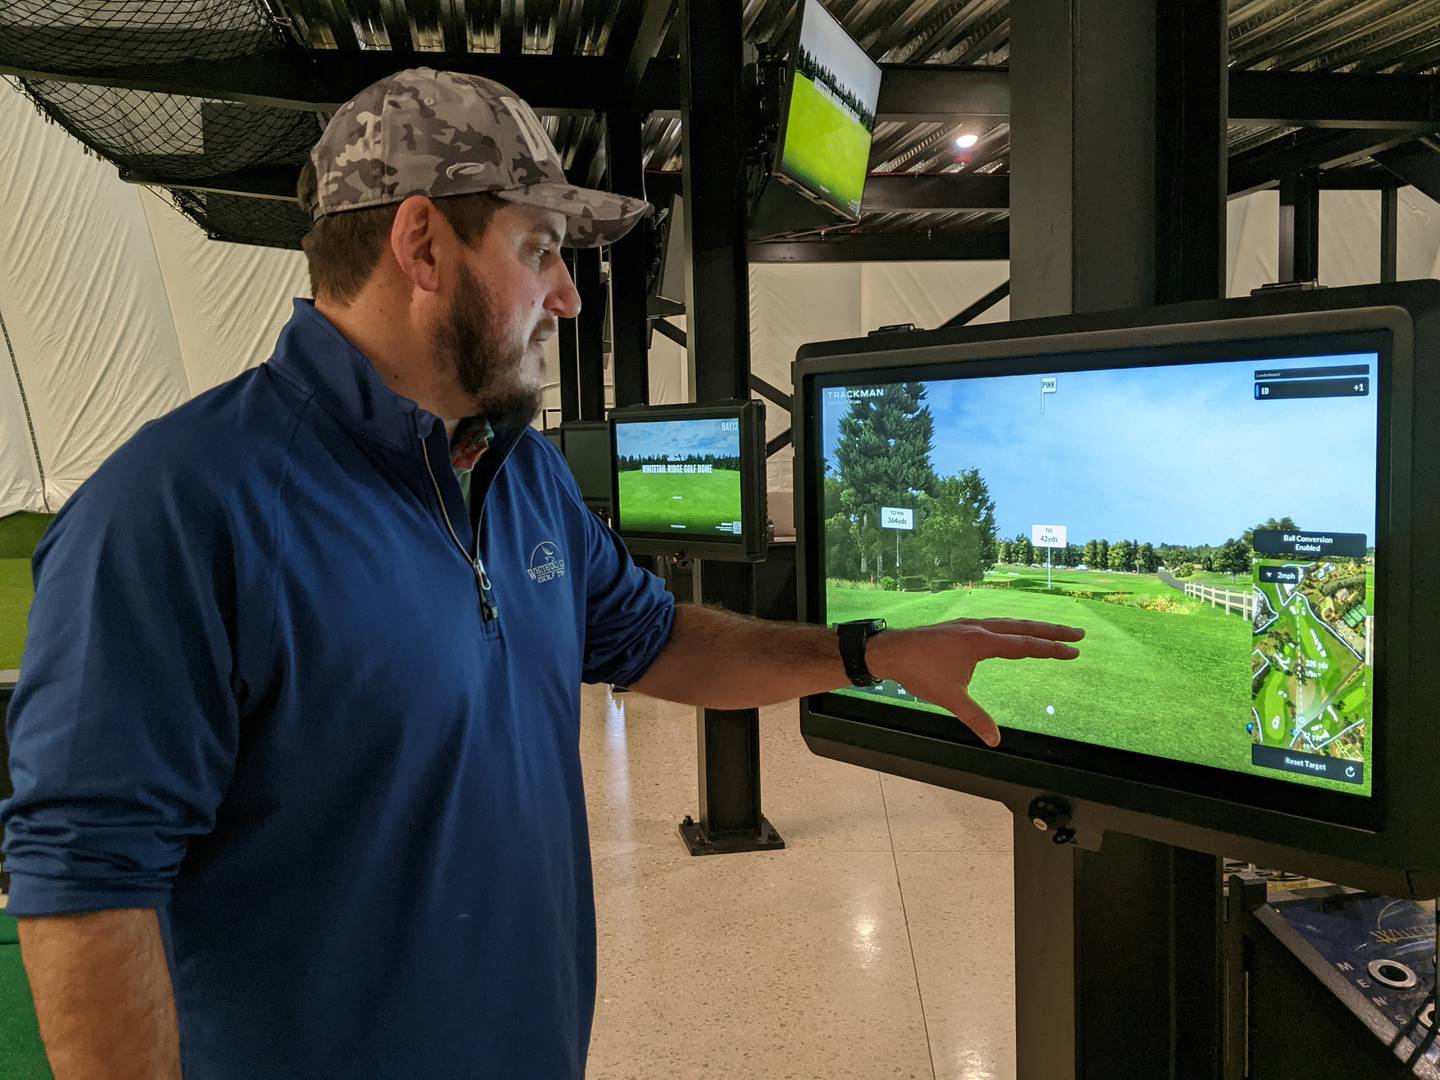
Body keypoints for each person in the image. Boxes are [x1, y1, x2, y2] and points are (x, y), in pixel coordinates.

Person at [1, 69, 1083, 1080]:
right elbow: (85, 894)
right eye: (542, 249)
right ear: (422, 245)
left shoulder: (515, 473)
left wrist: (867, 654)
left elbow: (656, 640)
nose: (566, 298)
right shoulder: (175, 513)